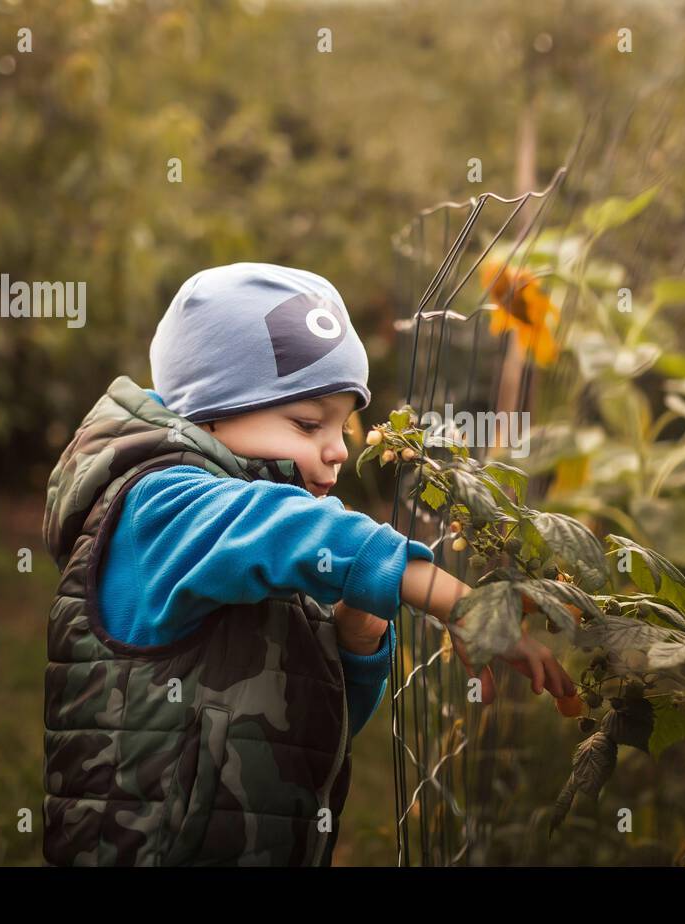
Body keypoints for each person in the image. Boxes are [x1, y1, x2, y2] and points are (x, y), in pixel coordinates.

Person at [40, 262, 575, 866]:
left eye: (344, 424)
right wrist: (462, 603)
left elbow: (312, 728)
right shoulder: (162, 506)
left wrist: (354, 636)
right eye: (306, 423)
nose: (337, 449)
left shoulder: (268, 541)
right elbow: (290, 526)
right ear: (209, 413)